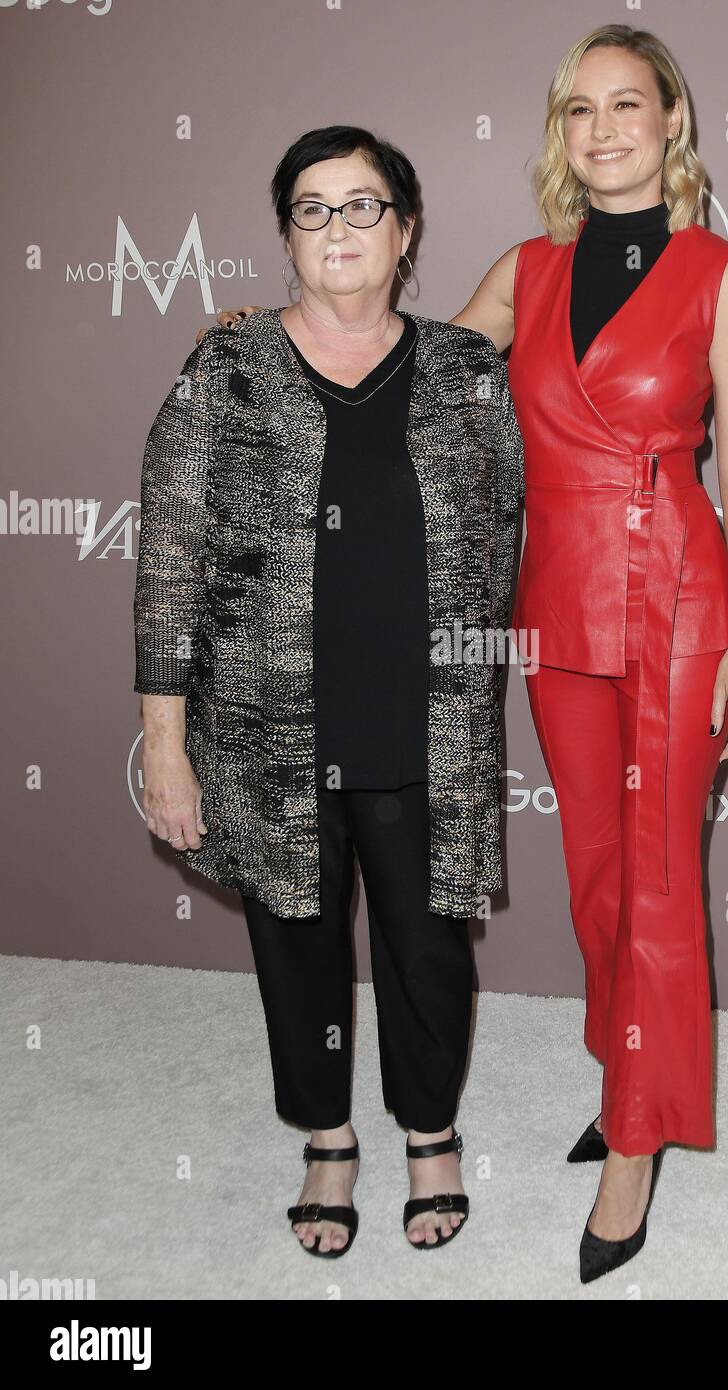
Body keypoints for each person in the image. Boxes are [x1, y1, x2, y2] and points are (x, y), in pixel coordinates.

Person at [204, 22, 728, 1286]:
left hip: (678, 599)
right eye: (580, 109)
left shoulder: (722, 277)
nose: (605, 128)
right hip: (559, 606)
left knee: (662, 877)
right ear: (560, 134)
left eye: (629, 104)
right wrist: (281, 333)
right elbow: (410, 375)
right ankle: (633, 1071)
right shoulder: (528, 271)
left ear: (672, 122)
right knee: (596, 877)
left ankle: (637, 1144)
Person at [134, 125, 524, 1258]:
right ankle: (327, 1139)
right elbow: (168, 558)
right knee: (296, 940)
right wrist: (166, 741)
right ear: (286, 235)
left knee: (427, 940)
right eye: (312, 208)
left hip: (426, 720)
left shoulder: (463, 368)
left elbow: (510, 528)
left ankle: (433, 1131)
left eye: (363, 207)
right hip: (267, 731)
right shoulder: (228, 367)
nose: (337, 229)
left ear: (404, 233)